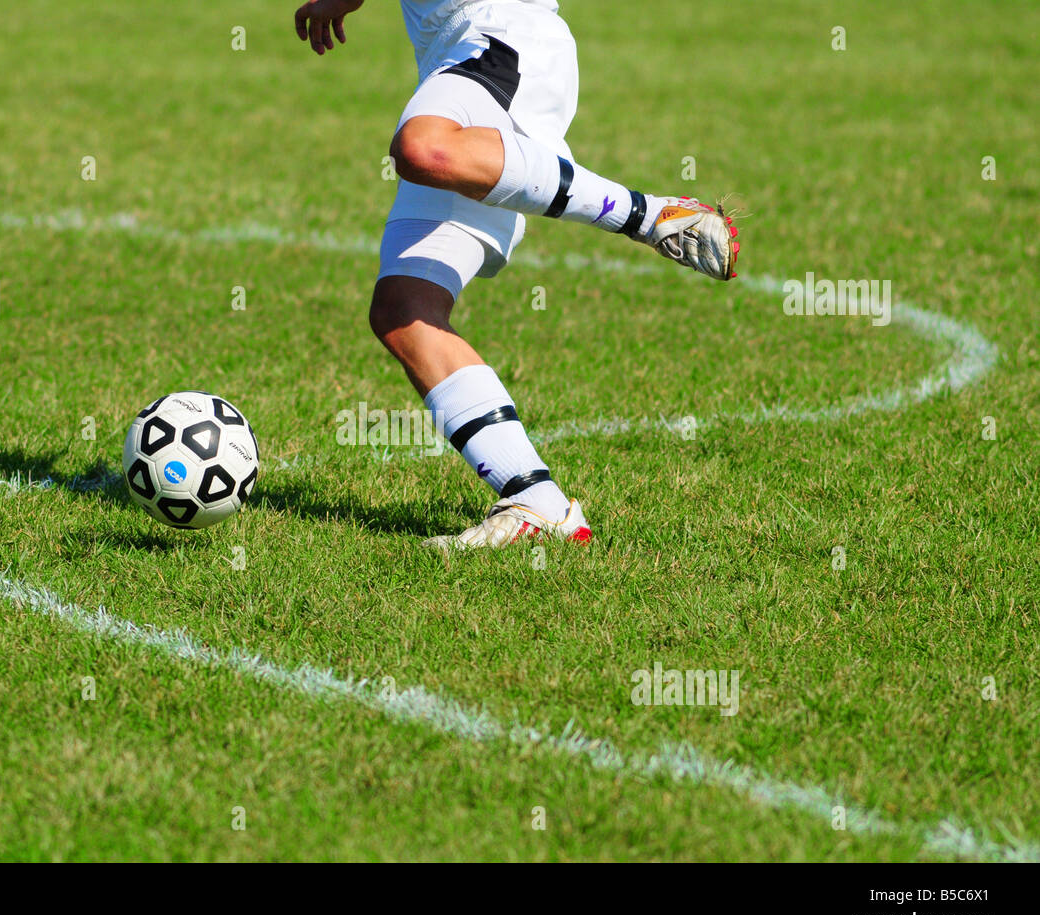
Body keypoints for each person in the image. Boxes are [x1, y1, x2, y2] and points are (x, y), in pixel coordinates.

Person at [293, 0, 740, 548]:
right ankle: (537, 502)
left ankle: (649, 215)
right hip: (456, 61)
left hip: (499, 38)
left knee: (422, 147)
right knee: (404, 311)